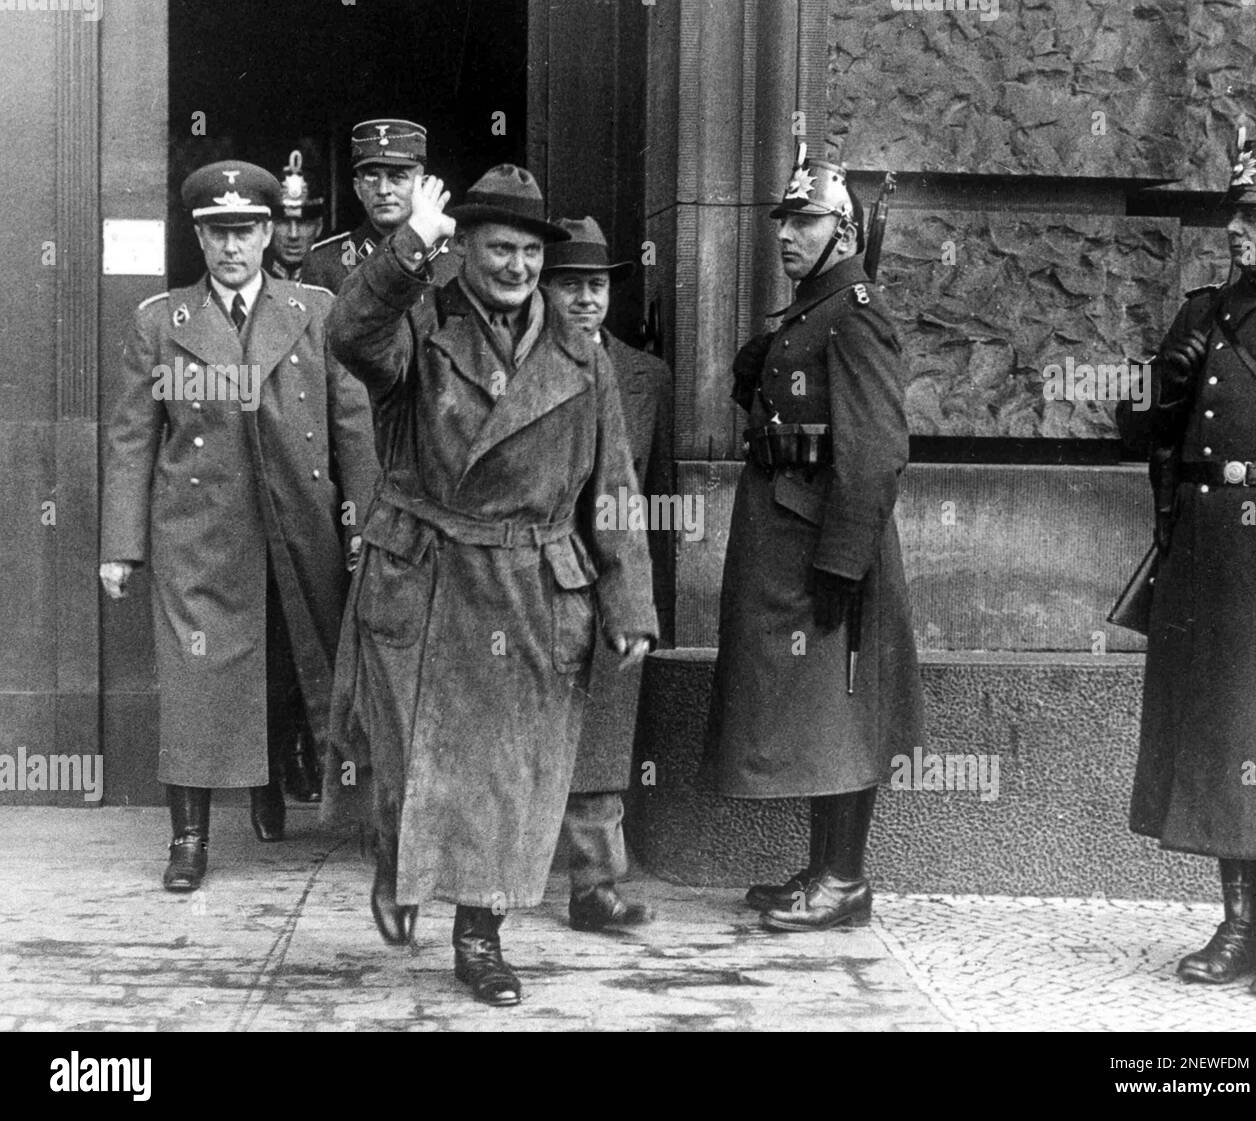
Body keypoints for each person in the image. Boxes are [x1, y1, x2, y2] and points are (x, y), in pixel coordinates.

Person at [326, 166, 657, 1006]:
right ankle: (395, 857)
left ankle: (480, 936)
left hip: (530, 588)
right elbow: (349, 333)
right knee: (407, 758)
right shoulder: (421, 328)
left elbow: (612, 486)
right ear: (463, 248)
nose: (515, 267)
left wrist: (629, 602)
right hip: (426, 577)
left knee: (506, 779)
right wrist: (408, 249)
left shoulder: (582, 357)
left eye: (527, 252)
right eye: (498, 248)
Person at [99, 160, 379, 892]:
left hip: (300, 524)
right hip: (198, 533)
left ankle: (293, 794)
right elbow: (133, 437)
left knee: (295, 664)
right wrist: (121, 548)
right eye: (218, 232)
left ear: (268, 234)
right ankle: (188, 838)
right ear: (199, 235)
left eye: (247, 231)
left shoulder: (317, 310)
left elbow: (351, 424)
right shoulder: (161, 322)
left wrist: (363, 521)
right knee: (196, 680)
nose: (233, 247)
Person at [703, 149, 923, 932]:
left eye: (806, 221)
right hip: (787, 531)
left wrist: (843, 556)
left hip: (827, 540)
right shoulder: (810, 311)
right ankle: (824, 868)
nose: (787, 235)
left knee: (844, 705)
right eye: (785, 222)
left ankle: (845, 879)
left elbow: (875, 451)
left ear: (845, 230)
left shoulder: (856, 313)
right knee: (816, 705)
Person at [1126, 136, 1256, 999]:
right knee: (1230, 735)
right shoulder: (1202, 313)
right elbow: (1155, 443)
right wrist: (1163, 393)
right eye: (1233, 212)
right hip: (1210, 554)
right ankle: (1237, 921)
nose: (1237, 228)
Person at [540, 217, 673, 932]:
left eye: (597, 286)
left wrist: (634, 600)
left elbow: (635, 491)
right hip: (521, 572)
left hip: (599, 576)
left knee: (599, 737)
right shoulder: (516, 361)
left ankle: (594, 883)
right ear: (543, 289)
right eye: (570, 285)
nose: (587, 300)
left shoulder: (644, 377)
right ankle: (487, 881)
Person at [300, 118, 458, 294]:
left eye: (397, 177)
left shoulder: (456, 255)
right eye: (372, 177)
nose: (383, 190)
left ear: (423, 185)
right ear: (357, 188)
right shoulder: (326, 261)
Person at [267, 149, 324, 284]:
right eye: (283, 222)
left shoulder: (333, 283)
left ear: (319, 227)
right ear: (267, 228)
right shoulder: (250, 280)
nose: (293, 235)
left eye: (303, 223)